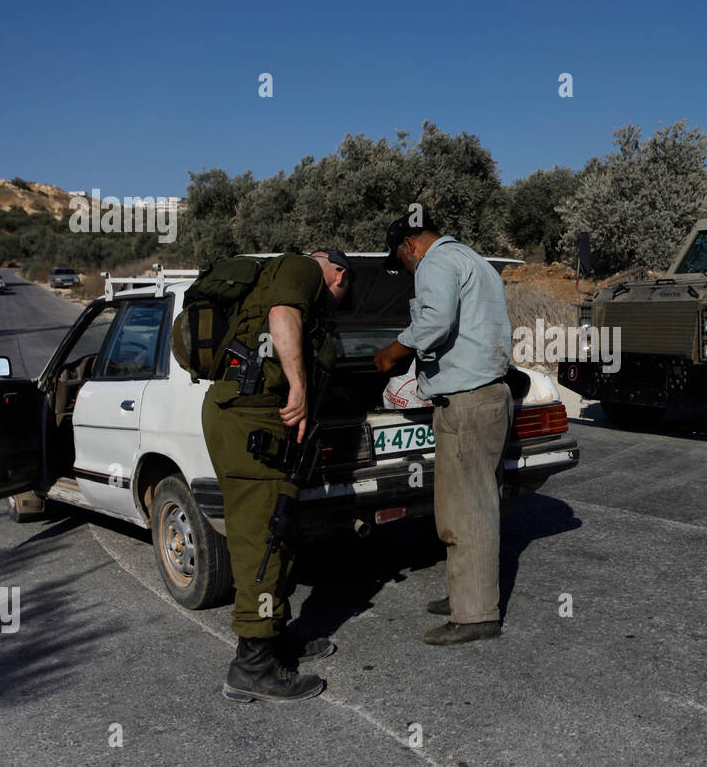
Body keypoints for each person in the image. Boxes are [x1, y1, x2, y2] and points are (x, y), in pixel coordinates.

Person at [203, 249, 353, 702]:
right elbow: (282, 312)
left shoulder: (285, 279)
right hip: (251, 417)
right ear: (339, 273)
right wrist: (299, 386)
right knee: (261, 541)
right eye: (343, 295)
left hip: (262, 418)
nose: (337, 304)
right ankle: (250, 667)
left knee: (280, 530)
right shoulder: (302, 267)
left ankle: (274, 637)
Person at [374, 210, 513, 646]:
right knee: (479, 504)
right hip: (490, 395)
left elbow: (433, 322)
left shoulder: (435, 262)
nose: (406, 270)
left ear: (410, 245)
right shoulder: (475, 261)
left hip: (466, 402)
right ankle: (468, 594)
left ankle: (473, 616)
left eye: (402, 262)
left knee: (465, 511)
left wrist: (391, 354)